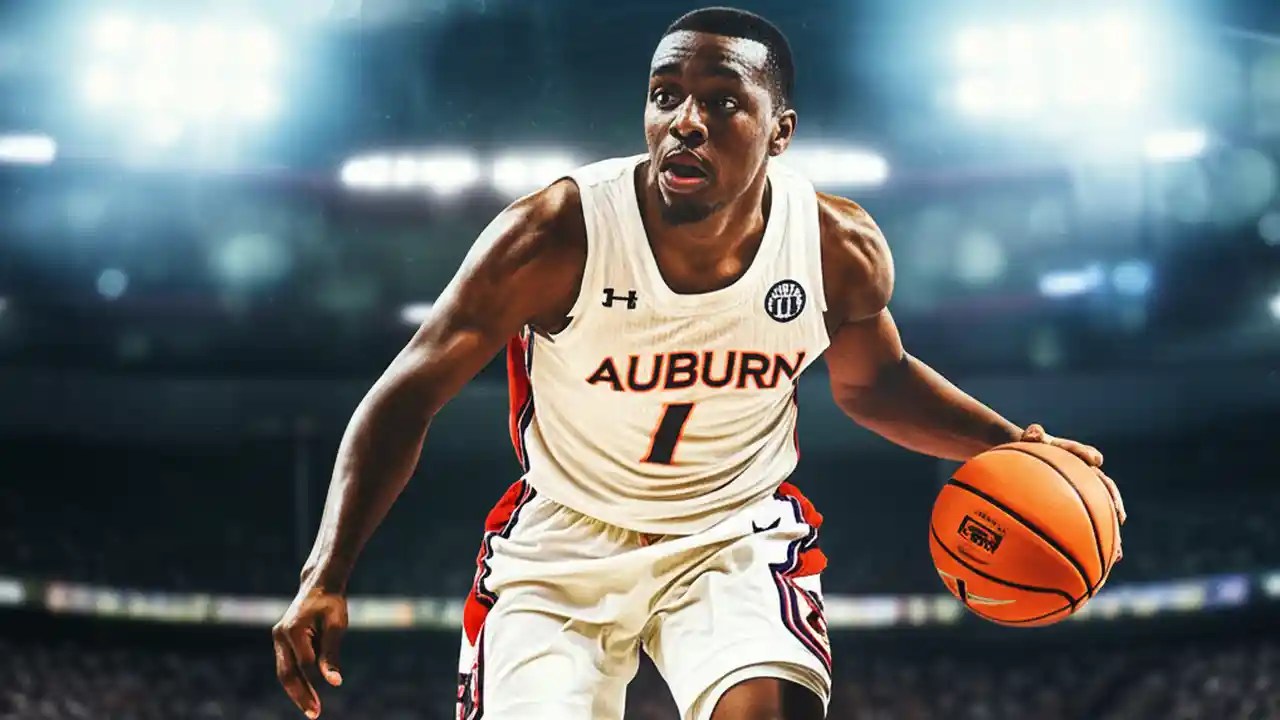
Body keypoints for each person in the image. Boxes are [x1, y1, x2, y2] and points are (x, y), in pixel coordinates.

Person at [271, 7, 1127, 720]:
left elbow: (875, 384)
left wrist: (1011, 443)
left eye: (723, 102)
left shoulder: (836, 247)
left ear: (780, 132)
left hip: (733, 531)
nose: (685, 120)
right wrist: (326, 573)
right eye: (666, 96)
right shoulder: (555, 236)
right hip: (564, 536)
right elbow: (406, 395)